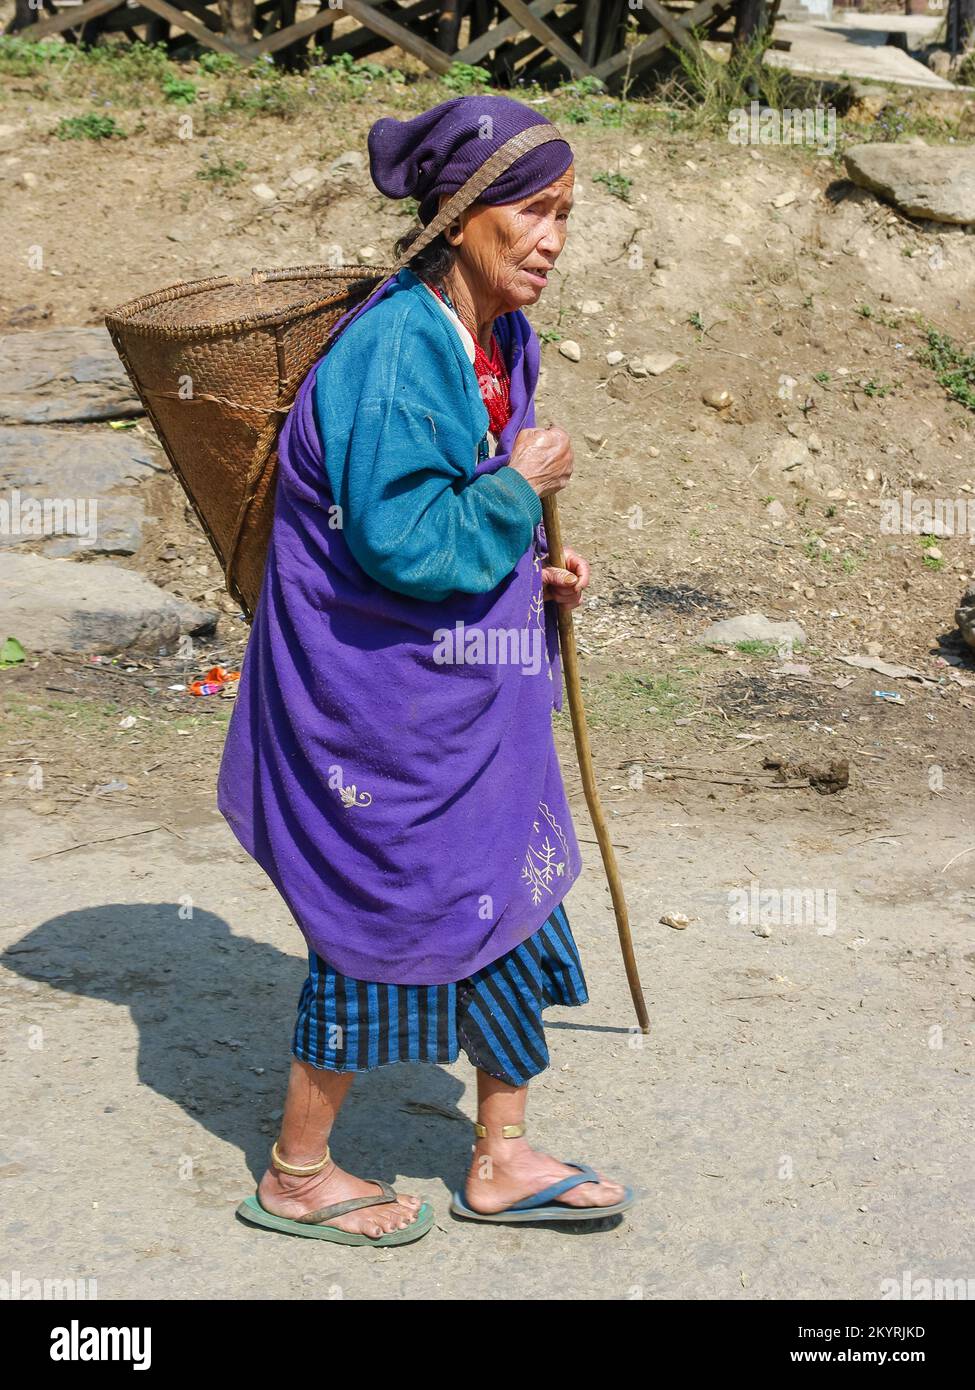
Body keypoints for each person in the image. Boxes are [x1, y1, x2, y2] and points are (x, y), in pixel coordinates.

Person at [219, 95, 634, 1246]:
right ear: (459, 218)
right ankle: (299, 1172)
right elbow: (403, 541)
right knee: (385, 921)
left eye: (565, 213)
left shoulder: (500, 332)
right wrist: (519, 487)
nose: (553, 238)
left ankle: (501, 1154)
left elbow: (469, 519)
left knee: (507, 894)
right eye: (531, 212)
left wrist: (535, 579)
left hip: (472, 694)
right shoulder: (395, 350)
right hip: (378, 716)